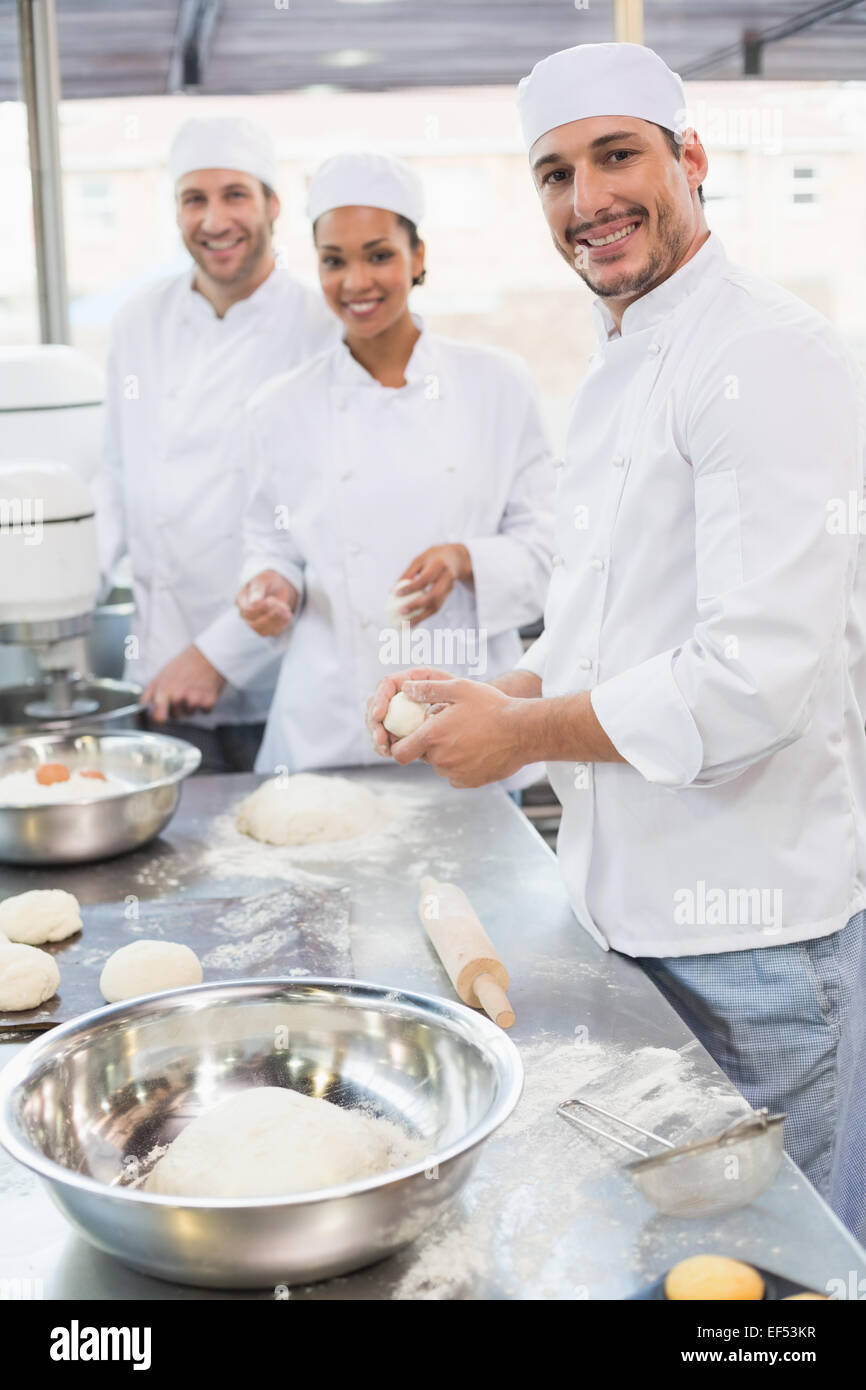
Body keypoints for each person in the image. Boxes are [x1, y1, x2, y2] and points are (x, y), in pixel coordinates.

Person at [366, 43, 866, 1244]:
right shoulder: (627, 347)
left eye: (615, 157)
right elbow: (606, 633)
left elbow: (750, 681)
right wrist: (490, 695)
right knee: (668, 1265)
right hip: (631, 914)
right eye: (553, 173)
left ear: (689, 160)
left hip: (750, 941)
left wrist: (523, 733)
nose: (584, 199)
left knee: (761, 1288)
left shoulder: (763, 354)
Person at [235, 152, 555, 779]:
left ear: (419, 256)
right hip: (326, 725)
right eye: (334, 261)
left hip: (466, 719)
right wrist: (270, 585)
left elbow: (551, 550)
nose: (356, 281)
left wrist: (466, 559)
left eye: (378, 254)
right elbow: (269, 540)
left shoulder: (497, 385)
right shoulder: (279, 407)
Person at [94, 116, 338, 771]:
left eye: (235, 195)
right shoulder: (138, 321)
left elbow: (327, 528)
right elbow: (116, 475)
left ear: (272, 207)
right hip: (162, 675)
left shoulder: (323, 328)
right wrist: (65, 595)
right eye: (193, 199)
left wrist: (219, 654)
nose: (214, 219)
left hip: (277, 680)